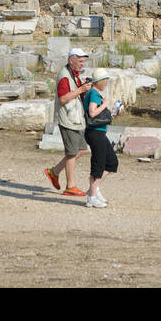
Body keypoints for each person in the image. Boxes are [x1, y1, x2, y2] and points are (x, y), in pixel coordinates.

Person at [44, 47, 93, 197]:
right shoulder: (64, 76)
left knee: (82, 150)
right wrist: (80, 90)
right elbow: (63, 98)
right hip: (67, 118)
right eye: (80, 61)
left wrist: (82, 88)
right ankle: (70, 186)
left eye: (84, 61)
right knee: (72, 153)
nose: (82, 64)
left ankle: (55, 171)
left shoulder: (74, 74)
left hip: (76, 118)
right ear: (71, 60)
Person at [82, 70, 120, 208]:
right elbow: (92, 113)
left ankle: (94, 188)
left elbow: (98, 114)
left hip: (100, 132)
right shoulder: (94, 94)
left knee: (111, 162)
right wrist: (105, 104)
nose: (106, 84)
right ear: (99, 81)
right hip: (95, 133)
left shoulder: (95, 94)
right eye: (105, 81)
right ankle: (91, 197)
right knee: (98, 164)